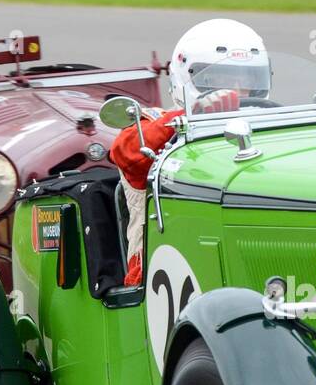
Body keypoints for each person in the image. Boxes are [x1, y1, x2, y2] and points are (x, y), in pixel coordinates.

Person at [108, 19, 270, 286]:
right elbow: (126, 152)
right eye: (220, 80)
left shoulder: (268, 121)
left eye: (247, 81)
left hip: (247, 251)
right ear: (186, 76)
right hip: (160, 266)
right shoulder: (157, 122)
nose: (238, 91)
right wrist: (196, 113)